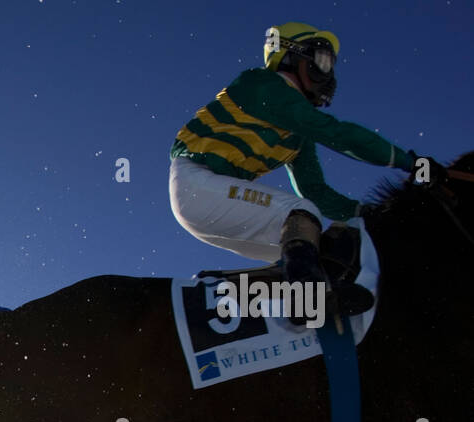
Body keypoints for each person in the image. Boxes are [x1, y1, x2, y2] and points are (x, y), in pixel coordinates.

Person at [169, 22, 439, 321]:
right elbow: (339, 134)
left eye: (331, 66)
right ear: (292, 56)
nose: (329, 75)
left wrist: (364, 212)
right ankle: (307, 300)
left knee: (315, 249)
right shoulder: (262, 84)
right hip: (197, 182)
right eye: (323, 61)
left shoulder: (298, 135)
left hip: (213, 199)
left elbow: (315, 191)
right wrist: (411, 162)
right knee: (300, 213)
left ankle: (229, 290)